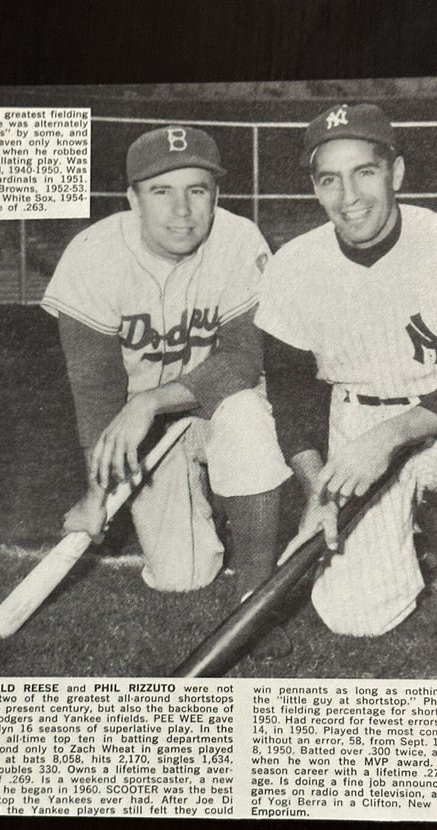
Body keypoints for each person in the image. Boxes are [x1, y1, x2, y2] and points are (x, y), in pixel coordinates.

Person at [255, 103, 437, 680]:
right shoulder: (293, 266)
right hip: (355, 421)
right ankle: (407, 544)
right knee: (355, 617)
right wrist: (319, 485)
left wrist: (389, 438)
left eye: (365, 171)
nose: (349, 195)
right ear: (315, 189)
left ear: (397, 174)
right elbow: (290, 396)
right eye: (329, 179)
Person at [42, 126, 292, 659]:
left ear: (216, 196)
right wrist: (96, 494)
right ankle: (230, 507)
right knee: (183, 576)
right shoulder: (91, 255)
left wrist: (151, 399)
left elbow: (244, 362)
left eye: (197, 190)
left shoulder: (240, 239)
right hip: (143, 430)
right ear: (132, 199)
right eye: (161, 191)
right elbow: (95, 391)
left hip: (216, 401)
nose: (182, 210)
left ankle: (255, 593)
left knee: (246, 418)